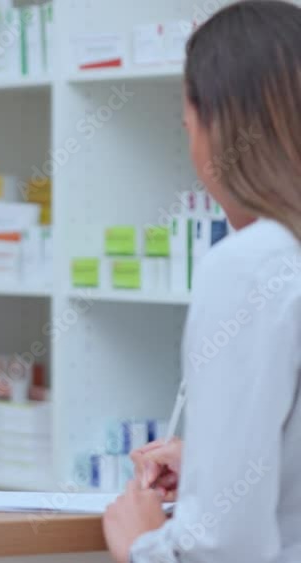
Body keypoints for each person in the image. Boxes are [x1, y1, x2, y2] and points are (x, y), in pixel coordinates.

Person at [103, 1, 301, 561]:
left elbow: (224, 546)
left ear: (218, 131)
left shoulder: (252, 263)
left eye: (189, 128)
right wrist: (219, 464)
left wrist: (141, 544)